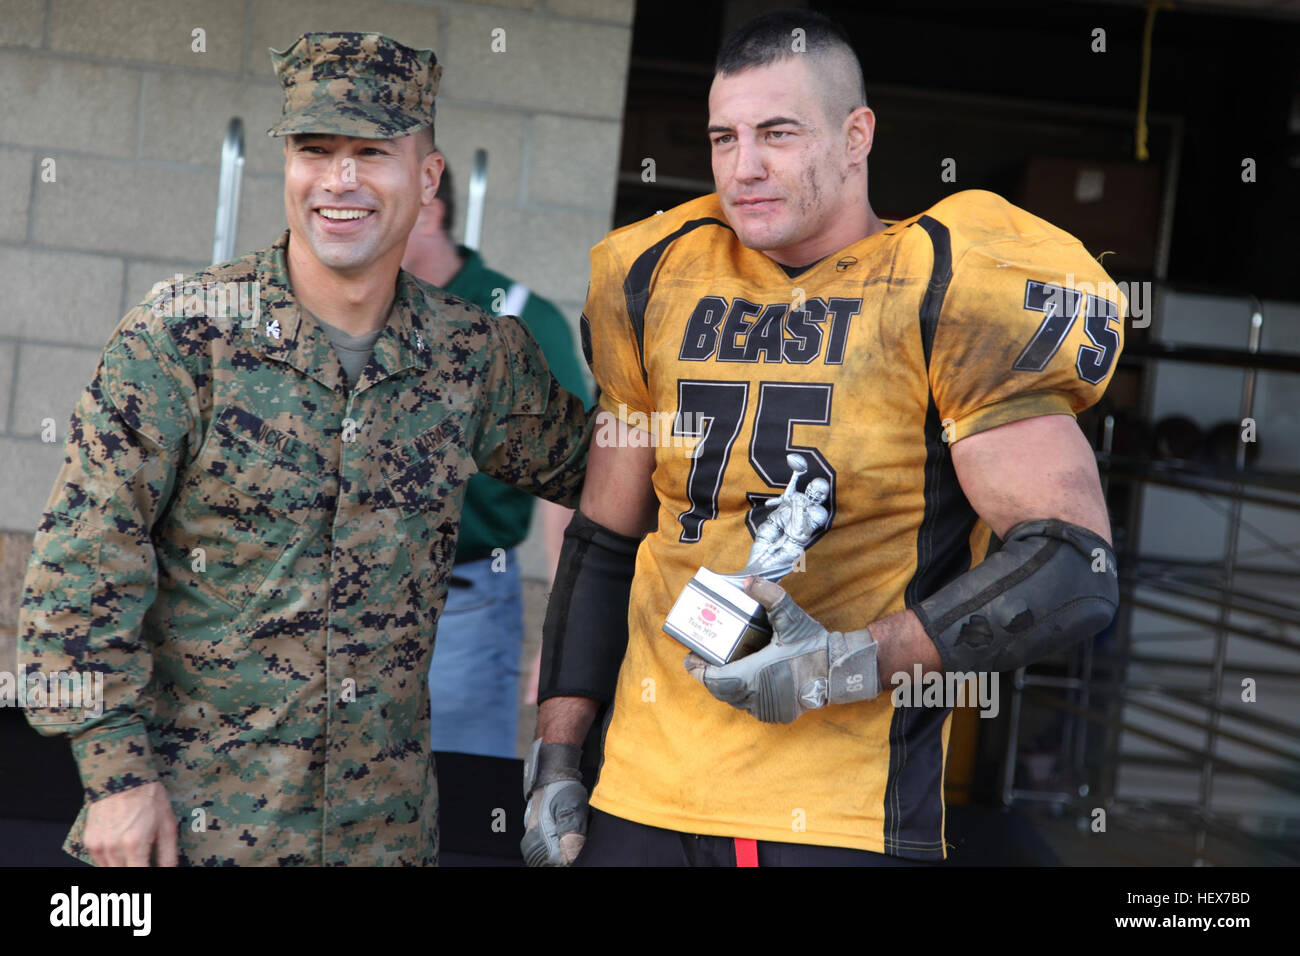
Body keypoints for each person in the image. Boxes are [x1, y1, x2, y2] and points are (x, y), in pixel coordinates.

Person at [523, 10, 1121, 867]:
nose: (744, 168)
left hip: (834, 812)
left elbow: (1071, 565)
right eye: (723, 138)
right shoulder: (653, 276)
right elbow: (605, 540)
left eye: (777, 133)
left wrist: (838, 665)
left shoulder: (946, 283)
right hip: (638, 795)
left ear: (856, 135)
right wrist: (558, 752)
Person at [17, 31, 591, 867]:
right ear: (286, 165)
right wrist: (114, 778)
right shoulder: (181, 337)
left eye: (372, 152)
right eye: (315, 150)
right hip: (195, 831)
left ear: (427, 179)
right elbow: (79, 569)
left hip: (383, 838)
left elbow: (610, 476)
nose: (341, 180)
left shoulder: (474, 356)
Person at [401, 167, 591, 758]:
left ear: (430, 213)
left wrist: (563, 637)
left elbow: (573, 485)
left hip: (464, 601)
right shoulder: (347, 303)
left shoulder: (517, 315)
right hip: (324, 599)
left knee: (456, 800)